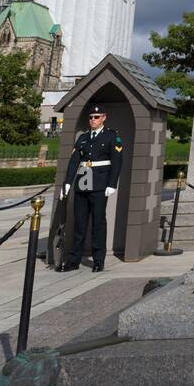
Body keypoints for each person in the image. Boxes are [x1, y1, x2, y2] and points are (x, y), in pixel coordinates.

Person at [61, 103, 124, 272]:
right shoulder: (82, 138)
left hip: (99, 183)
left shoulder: (112, 136)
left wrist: (112, 184)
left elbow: (117, 161)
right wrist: (67, 182)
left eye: (96, 117)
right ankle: (74, 260)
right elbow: (74, 161)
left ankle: (98, 260)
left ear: (103, 118)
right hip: (83, 181)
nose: (93, 120)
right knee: (79, 224)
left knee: (98, 224)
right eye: (90, 117)